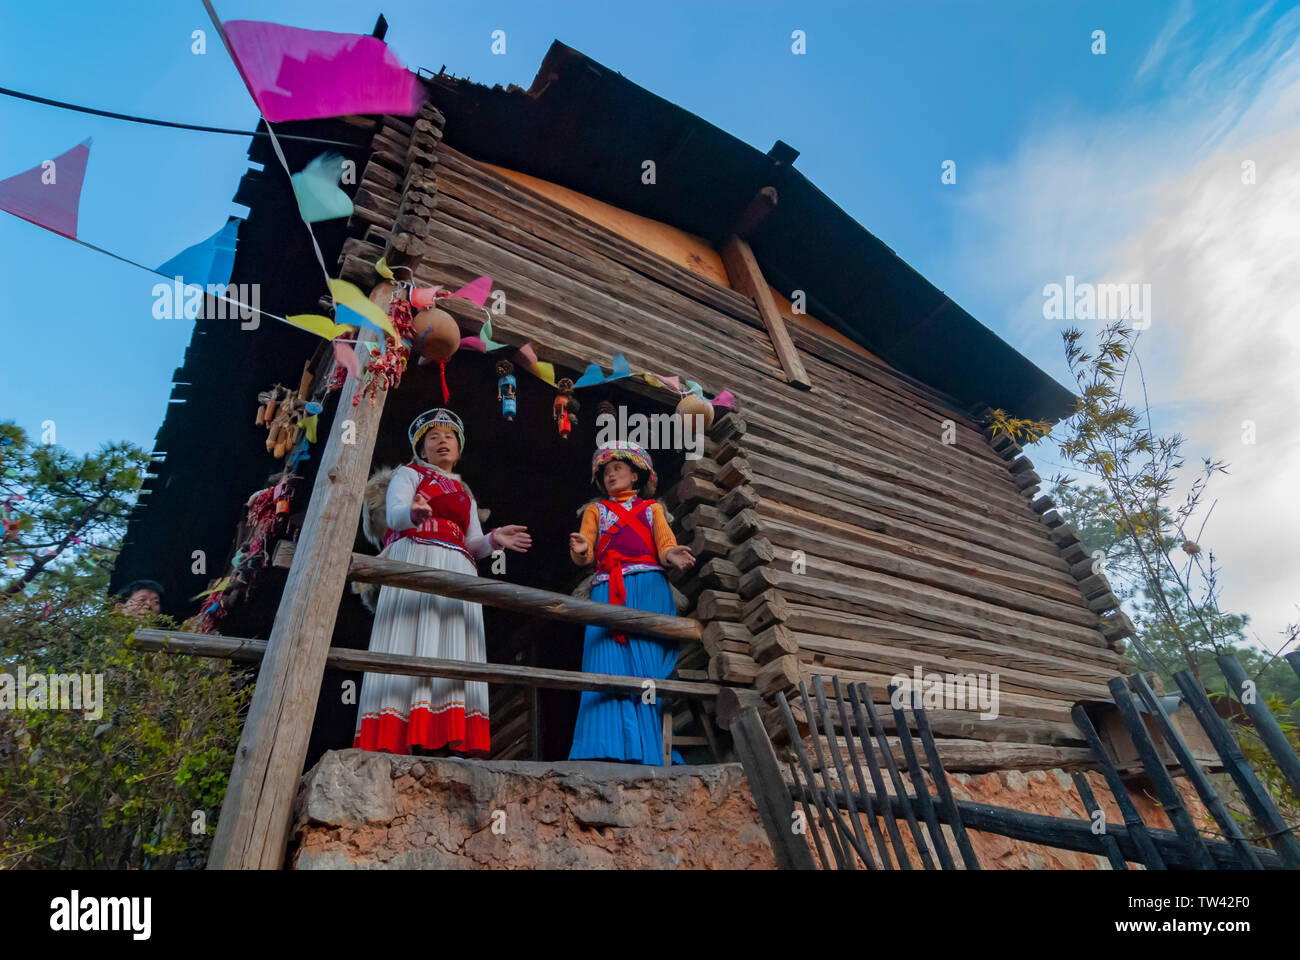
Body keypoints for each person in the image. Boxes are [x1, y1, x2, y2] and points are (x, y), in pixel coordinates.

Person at [353, 408, 531, 756]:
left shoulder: (464, 491)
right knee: (411, 633)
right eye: (433, 437)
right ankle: (398, 730)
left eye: (449, 436)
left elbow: (473, 543)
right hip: (416, 554)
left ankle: (445, 733)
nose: (442, 441)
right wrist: (413, 514)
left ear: (459, 447)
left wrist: (496, 538)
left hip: (456, 565)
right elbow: (394, 514)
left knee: (451, 639)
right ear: (422, 449)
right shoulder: (409, 474)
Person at [567, 442, 695, 764]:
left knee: (648, 668)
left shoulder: (653, 509)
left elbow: (665, 544)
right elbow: (585, 553)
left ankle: (650, 750)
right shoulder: (595, 511)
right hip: (607, 586)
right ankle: (605, 748)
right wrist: (582, 548)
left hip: (650, 588)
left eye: (618, 469)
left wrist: (672, 554)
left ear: (635, 475)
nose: (611, 475)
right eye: (606, 472)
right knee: (605, 662)